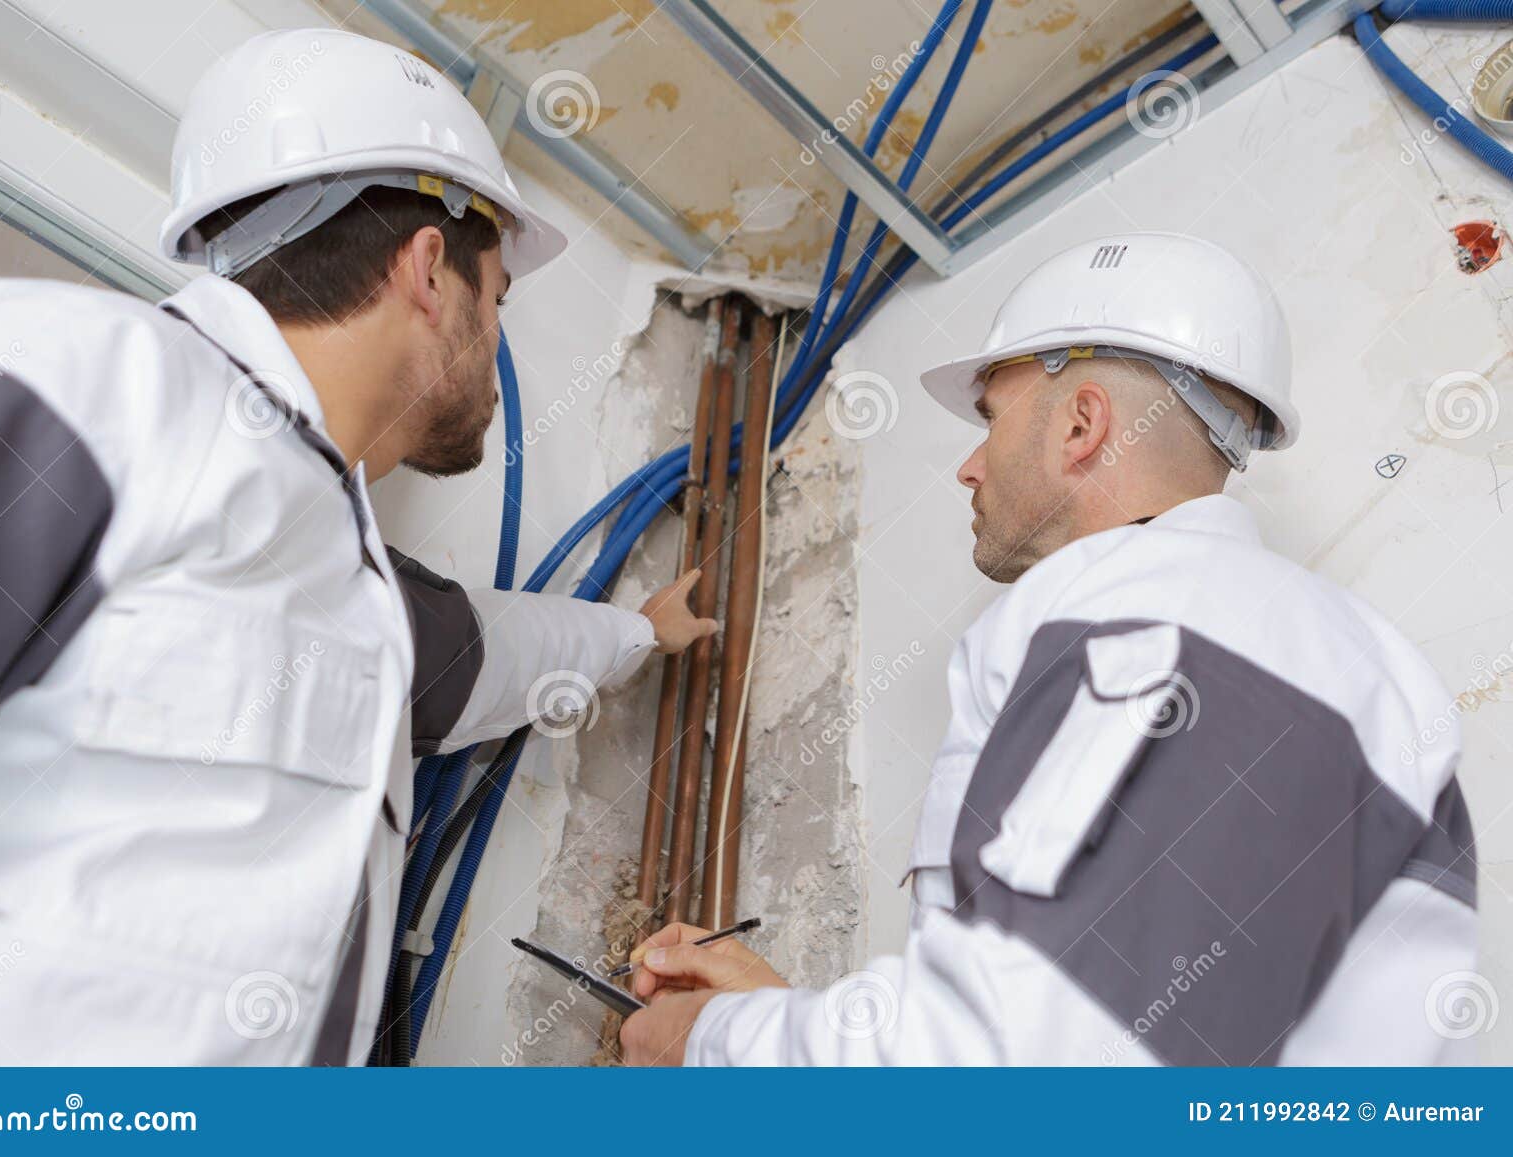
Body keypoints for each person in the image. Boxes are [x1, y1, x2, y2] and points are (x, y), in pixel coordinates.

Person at [0, 28, 715, 1065]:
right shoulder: (66, 378)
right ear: (432, 269)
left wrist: (635, 633)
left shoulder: (347, 576)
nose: (497, 342)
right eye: (498, 298)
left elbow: (483, 651)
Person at [619, 232, 1477, 1066]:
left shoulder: (1135, 617)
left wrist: (712, 1043)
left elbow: (1018, 1062)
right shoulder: (1365, 670)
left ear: (1082, 424)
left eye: (991, 418)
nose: (969, 466)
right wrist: (780, 1012)